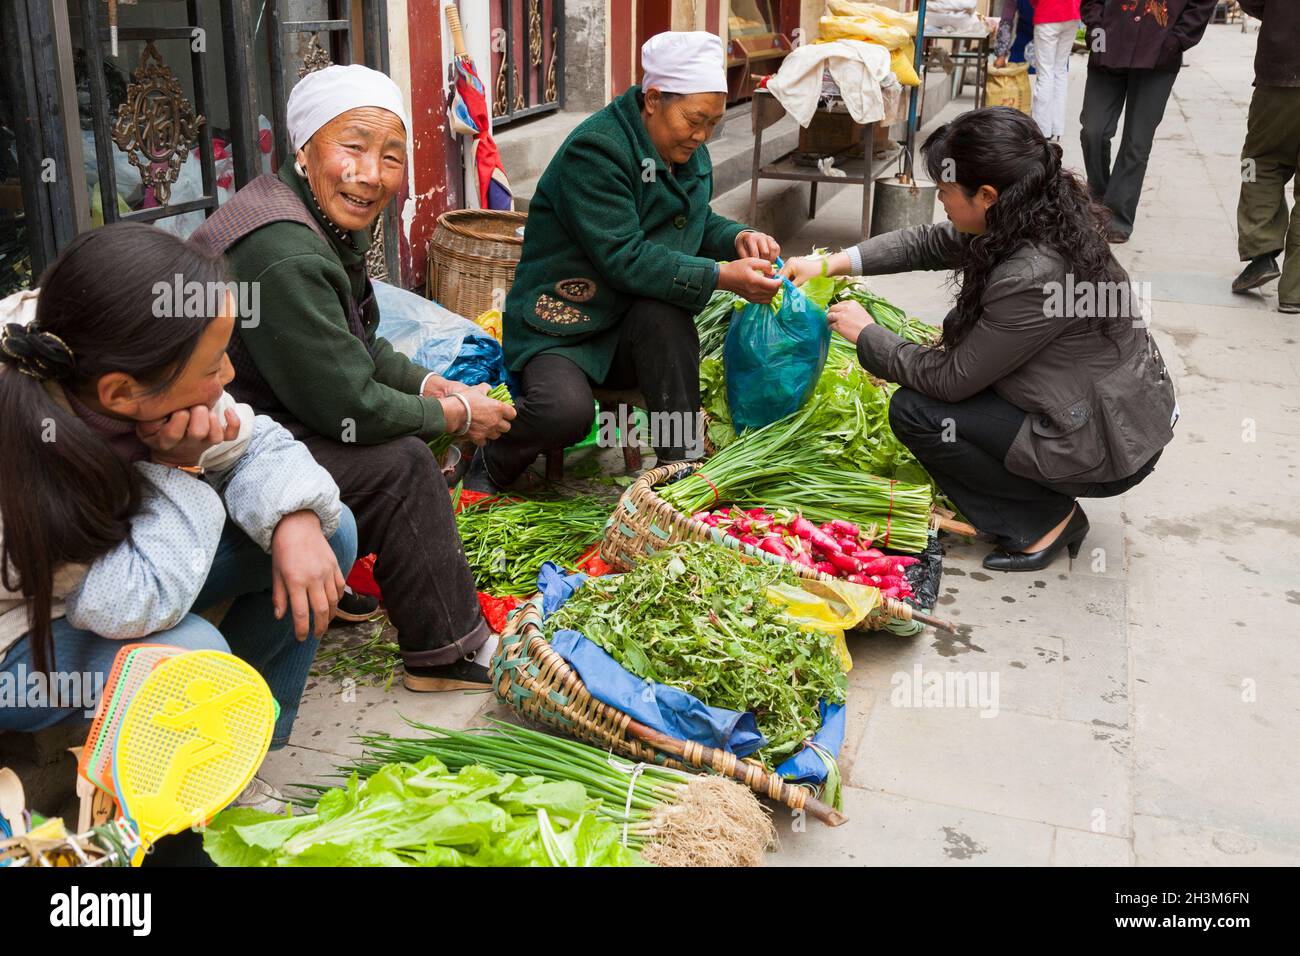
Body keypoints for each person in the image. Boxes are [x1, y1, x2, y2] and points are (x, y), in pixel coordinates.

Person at [193, 65, 515, 693]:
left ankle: (338, 584)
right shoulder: (283, 249)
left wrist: (432, 387)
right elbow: (352, 403)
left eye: (391, 157)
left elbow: (360, 345)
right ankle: (447, 653)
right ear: (306, 149)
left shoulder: (310, 210)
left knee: (410, 423)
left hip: (264, 414)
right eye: (353, 148)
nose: (371, 174)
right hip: (220, 450)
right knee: (401, 466)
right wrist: (454, 418)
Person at [0, 224, 355, 760]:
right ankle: (179, 803)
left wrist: (295, 521)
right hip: (20, 637)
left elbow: (251, 440)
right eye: (215, 368)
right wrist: (174, 467)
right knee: (189, 660)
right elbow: (122, 605)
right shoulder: (29, 453)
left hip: (106, 584)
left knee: (322, 532)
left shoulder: (111, 354)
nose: (229, 374)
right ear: (121, 393)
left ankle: (249, 748)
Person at [781, 107, 1177, 572]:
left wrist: (869, 335)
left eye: (946, 191)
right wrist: (828, 264)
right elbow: (928, 242)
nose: (941, 202)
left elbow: (952, 381)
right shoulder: (1034, 213)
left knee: (918, 410)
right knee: (950, 386)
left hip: (1105, 442)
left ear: (987, 195)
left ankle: (1044, 519)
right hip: (1115, 413)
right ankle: (1035, 491)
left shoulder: (1033, 271)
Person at [465, 31, 782, 493]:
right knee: (564, 414)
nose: (702, 135)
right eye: (694, 120)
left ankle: (681, 468)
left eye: (713, 123)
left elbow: (691, 220)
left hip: (628, 328)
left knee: (667, 315)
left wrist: (738, 239)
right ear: (653, 99)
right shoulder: (597, 151)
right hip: (565, 325)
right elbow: (625, 257)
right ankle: (490, 465)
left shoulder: (686, 151)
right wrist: (721, 277)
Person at [1078, 0, 1216, 242]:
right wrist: (1095, 28)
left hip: (1159, 54)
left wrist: (1177, 40)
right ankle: (1098, 203)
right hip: (1108, 46)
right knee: (1093, 130)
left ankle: (1118, 216)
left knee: (1137, 142)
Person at [1231, 1, 1299, 313]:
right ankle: (1295, 291)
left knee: (1259, 162)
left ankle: (1261, 252)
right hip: (1279, 67)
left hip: (1279, 70)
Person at [1028, 1, 1081, 142]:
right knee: (1060, 70)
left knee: (1045, 71)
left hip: (1048, 12)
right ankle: (1057, 126)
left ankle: (1041, 128)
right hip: (1072, 13)